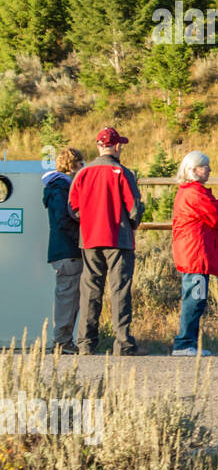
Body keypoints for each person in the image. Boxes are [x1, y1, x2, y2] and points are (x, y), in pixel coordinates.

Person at [68, 127, 144, 356]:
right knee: (120, 290)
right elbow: (134, 208)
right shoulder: (121, 172)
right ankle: (123, 343)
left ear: (99, 146)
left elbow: (72, 207)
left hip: (90, 239)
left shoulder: (83, 173)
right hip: (118, 239)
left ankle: (85, 344)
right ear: (117, 146)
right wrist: (131, 223)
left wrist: (88, 220)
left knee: (90, 291)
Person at [171, 151, 218, 357]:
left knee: (195, 298)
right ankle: (184, 343)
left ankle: (187, 342)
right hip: (196, 254)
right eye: (205, 166)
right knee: (195, 299)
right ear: (194, 170)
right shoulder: (196, 193)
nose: (209, 169)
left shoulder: (189, 192)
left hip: (193, 252)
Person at [41, 147, 85, 354]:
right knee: (68, 295)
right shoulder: (61, 188)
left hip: (62, 249)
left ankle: (63, 339)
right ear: (72, 165)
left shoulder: (56, 187)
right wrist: (81, 238)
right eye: (81, 164)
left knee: (67, 294)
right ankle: (62, 341)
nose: (83, 168)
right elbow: (62, 220)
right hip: (68, 250)